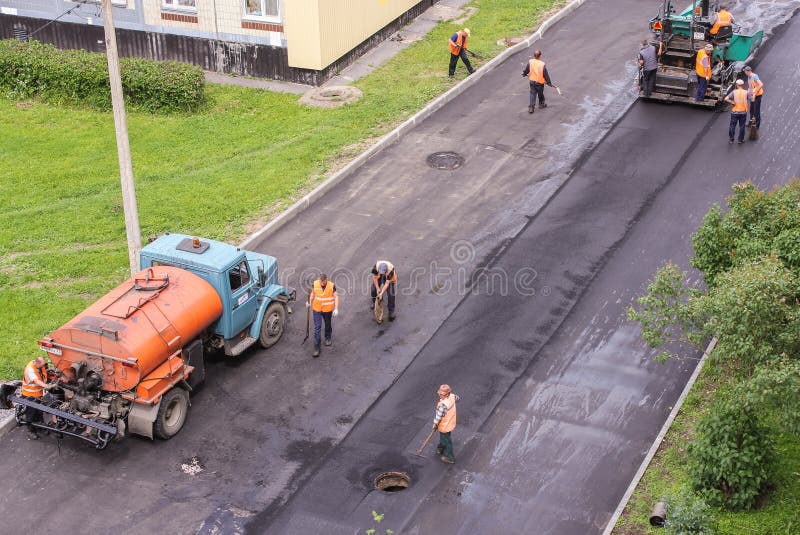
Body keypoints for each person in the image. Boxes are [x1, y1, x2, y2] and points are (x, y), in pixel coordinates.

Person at [21, 356, 55, 439]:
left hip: (38, 394)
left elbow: (43, 375)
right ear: (37, 363)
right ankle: (30, 431)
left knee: (39, 412)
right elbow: (36, 380)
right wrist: (46, 386)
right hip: (29, 395)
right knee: (30, 413)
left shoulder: (40, 366)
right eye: (42, 365)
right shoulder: (30, 370)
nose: (44, 366)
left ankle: (40, 427)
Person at [307, 274, 339, 358]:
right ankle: (317, 348)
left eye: (323, 281)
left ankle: (328, 337)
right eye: (321, 281)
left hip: (327, 309)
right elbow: (312, 294)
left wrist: (336, 308)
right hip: (317, 309)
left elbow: (336, 297)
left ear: (326, 279)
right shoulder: (315, 284)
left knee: (327, 324)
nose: (322, 283)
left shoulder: (331, 285)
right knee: (317, 327)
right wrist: (309, 302)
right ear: (319, 280)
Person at [432, 384, 459, 464]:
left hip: (444, 425)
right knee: (444, 437)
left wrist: (435, 424)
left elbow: (438, 416)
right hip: (450, 422)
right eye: (440, 394)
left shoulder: (443, 405)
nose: (440, 395)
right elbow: (458, 398)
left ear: (446, 394)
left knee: (447, 441)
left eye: (442, 394)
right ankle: (440, 448)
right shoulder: (452, 396)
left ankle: (450, 457)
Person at [725, 79, 749, 144]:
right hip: (743, 112)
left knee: (732, 126)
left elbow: (726, 98)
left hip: (735, 112)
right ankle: (740, 140)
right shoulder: (746, 92)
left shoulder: (734, 92)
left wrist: (732, 102)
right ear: (742, 85)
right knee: (742, 126)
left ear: (737, 85)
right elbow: (751, 99)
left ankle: (731, 140)